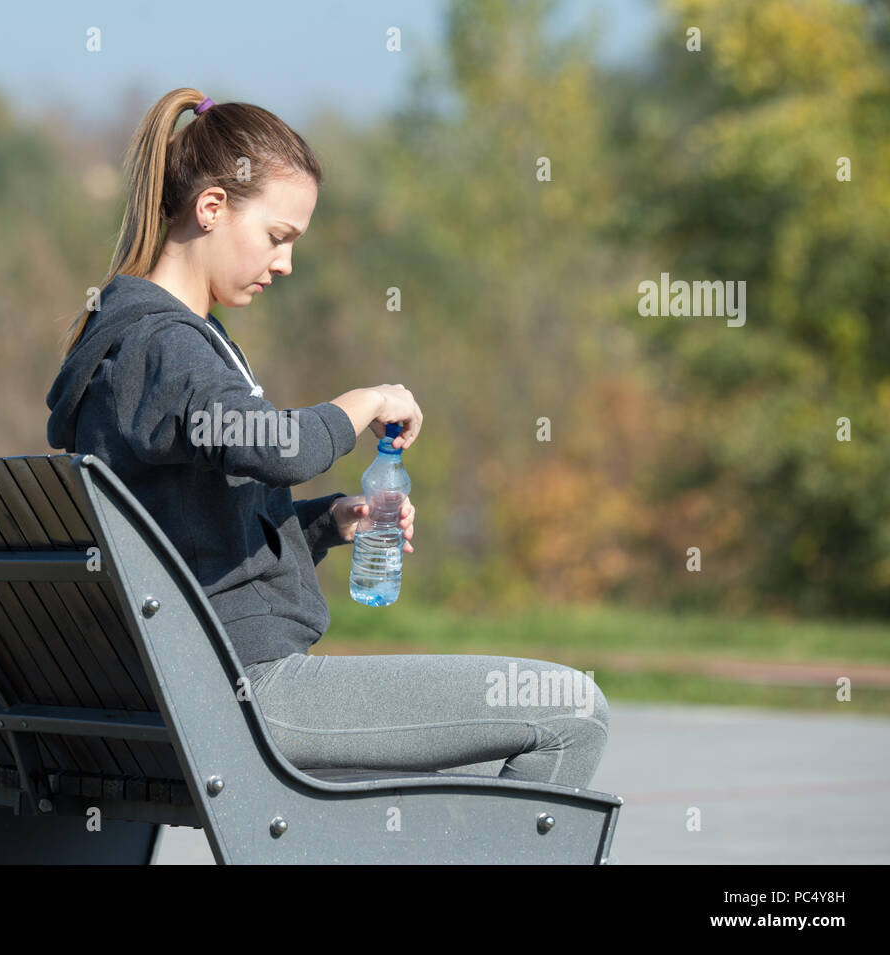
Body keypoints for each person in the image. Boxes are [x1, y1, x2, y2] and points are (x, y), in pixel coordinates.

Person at [45, 88, 609, 790]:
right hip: (242, 688)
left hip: (182, 687)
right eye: (278, 236)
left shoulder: (140, 339)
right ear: (212, 208)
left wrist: (325, 521)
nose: (284, 264)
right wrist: (362, 401)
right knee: (573, 709)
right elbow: (278, 447)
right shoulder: (162, 345)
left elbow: (189, 534)